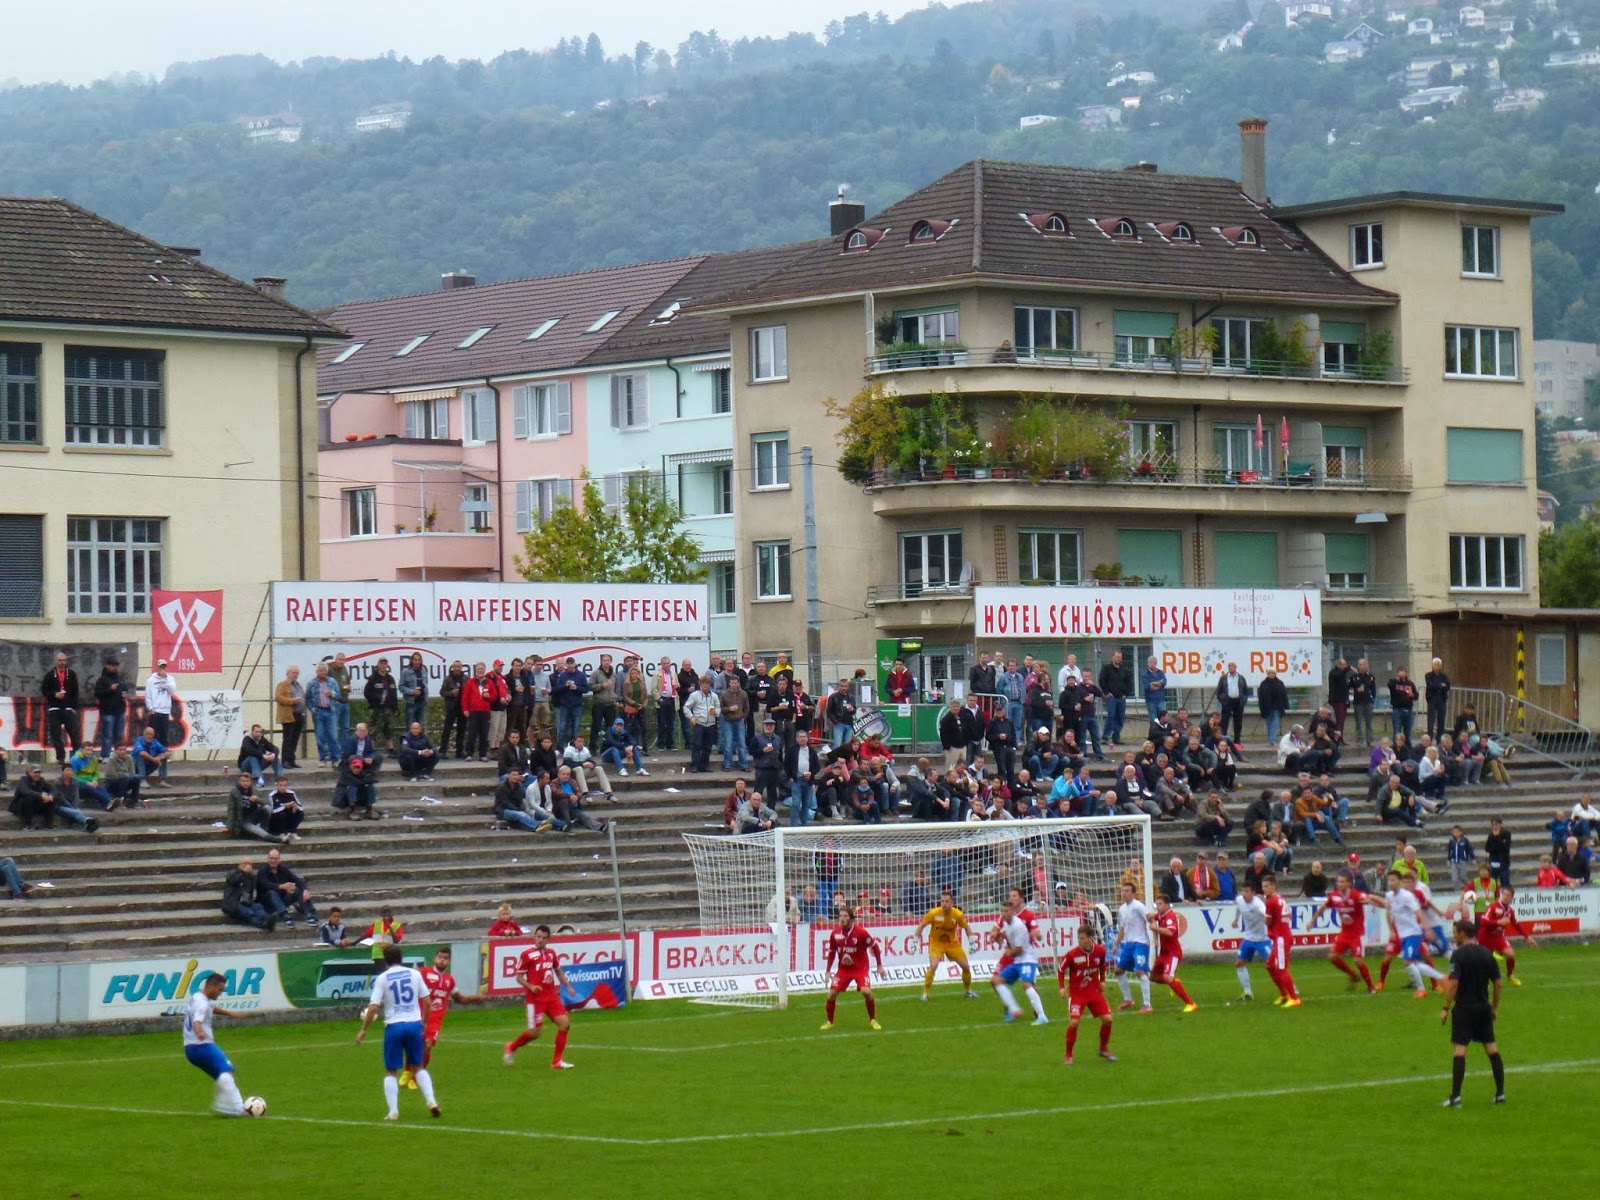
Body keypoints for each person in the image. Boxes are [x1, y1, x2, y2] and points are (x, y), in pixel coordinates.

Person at [356, 943, 442, 1119]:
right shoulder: (415, 974)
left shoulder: (383, 978)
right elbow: (427, 1002)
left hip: (394, 1027)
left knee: (391, 1071)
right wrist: (424, 1023)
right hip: (413, 1024)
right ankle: (431, 1101)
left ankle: (393, 1111)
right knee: (418, 1066)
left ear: (385, 961)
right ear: (401, 959)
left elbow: (373, 1008)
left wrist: (363, 1029)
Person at [1440, 919, 1506, 1107]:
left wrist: (1445, 1008)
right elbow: (1498, 983)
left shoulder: (1458, 956)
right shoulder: (1487, 954)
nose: (1453, 935)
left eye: (1455, 932)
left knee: (1460, 1050)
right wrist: (1495, 1007)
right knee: (1491, 1047)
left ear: (1462, 933)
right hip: (1483, 1007)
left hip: (1464, 1009)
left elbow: (1453, 983)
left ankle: (1456, 1097)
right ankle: (1500, 1093)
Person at [399, 946, 485, 1089]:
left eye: (445, 958)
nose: (442, 960)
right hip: (418, 1016)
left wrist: (477, 998)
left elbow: (459, 999)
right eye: (440, 957)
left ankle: (416, 1077)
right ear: (435, 958)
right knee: (413, 1044)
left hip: (435, 1020)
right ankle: (407, 1071)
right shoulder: (423, 973)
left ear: (449, 961)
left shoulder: (449, 980)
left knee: (427, 1045)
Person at [504, 923, 576, 1069]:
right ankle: (512, 1046)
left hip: (551, 997)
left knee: (565, 1024)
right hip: (535, 1000)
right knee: (534, 1033)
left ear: (548, 939)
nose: (540, 940)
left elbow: (558, 971)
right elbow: (519, 977)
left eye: (543, 938)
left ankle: (556, 1061)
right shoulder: (527, 955)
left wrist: (568, 986)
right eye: (538, 937)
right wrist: (531, 986)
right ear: (534, 937)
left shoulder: (551, 954)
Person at [181, 971, 248, 1116]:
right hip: (201, 1046)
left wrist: (230, 1014)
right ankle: (236, 1108)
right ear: (211, 986)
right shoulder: (201, 1003)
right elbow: (197, 1021)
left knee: (222, 1075)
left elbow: (210, 1008)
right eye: (219, 989)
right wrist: (199, 1032)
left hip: (191, 1049)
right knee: (227, 1070)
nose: (220, 993)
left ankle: (228, 1107)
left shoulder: (197, 997)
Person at [1382, 870, 1447, 998]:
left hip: (1413, 933)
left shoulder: (1407, 896)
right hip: (1402, 935)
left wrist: (1427, 929)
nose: (1391, 883)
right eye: (1389, 880)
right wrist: (1391, 930)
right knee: (1415, 963)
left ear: (1399, 882)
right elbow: (1388, 911)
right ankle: (1443, 977)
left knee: (1408, 961)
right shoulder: (1389, 896)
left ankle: (1422, 989)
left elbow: (1419, 912)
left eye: (1394, 880)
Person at [820, 905, 886, 1031]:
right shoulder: (835, 934)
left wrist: (879, 966)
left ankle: (873, 1019)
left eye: (845, 916)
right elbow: (832, 952)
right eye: (840, 916)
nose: (842, 919)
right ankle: (830, 1022)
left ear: (851, 919)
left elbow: (875, 947)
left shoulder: (861, 933)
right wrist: (828, 971)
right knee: (832, 994)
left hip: (860, 968)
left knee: (866, 992)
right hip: (844, 969)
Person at [1057, 924, 1116, 1064]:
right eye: (1078, 938)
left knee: (1108, 1019)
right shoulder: (1072, 954)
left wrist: (1103, 980)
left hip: (1094, 991)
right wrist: (1061, 987)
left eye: (1082, 938)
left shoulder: (1101, 951)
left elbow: (1102, 966)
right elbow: (1060, 969)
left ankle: (1103, 1048)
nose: (1080, 940)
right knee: (1074, 1022)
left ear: (1090, 938)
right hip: (1077, 994)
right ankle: (1068, 1054)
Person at [1318, 870, 1377, 992]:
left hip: (1357, 933)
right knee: (1332, 957)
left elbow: (1370, 899)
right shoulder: (1334, 896)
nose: (1339, 884)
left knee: (1357, 960)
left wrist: (1381, 904)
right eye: (1338, 881)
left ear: (1349, 883)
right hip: (1345, 933)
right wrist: (1312, 921)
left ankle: (1371, 987)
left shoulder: (1356, 895)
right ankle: (1353, 976)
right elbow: (1324, 906)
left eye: (1343, 882)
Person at [916, 890, 977, 1000]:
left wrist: (972, 942)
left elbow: (967, 927)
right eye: (942, 901)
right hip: (936, 943)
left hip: (952, 944)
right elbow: (921, 926)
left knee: (966, 967)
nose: (944, 904)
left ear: (952, 902)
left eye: (947, 901)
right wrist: (915, 941)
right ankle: (925, 993)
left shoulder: (957, 914)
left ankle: (967, 991)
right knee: (933, 966)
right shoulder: (934, 913)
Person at [1477, 884, 1536, 984]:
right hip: (1485, 937)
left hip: (1498, 938)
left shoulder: (1510, 911)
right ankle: (1482, 981)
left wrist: (1527, 937)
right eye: (1503, 894)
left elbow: (1516, 924)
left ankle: (1509, 975)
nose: (1505, 897)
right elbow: (1483, 921)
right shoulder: (1493, 906)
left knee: (1511, 955)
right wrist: (1498, 922)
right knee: (1485, 962)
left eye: (1508, 895)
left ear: (1511, 898)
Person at [1109, 881, 1153, 1014]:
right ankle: (1128, 999)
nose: (1124, 893)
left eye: (1127, 891)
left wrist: (1155, 938)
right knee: (1118, 970)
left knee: (1140, 971)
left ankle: (1147, 1004)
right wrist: (1116, 944)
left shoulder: (1139, 906)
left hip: (1140, 943)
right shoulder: (1122, 909)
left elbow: (1150, 919)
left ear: (1133, 893)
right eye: (1123, 891)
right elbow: (1123, 928)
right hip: (1128, 944)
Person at [1150, 895, 1197, 1012]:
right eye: (1157, 904)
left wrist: (1155, 929)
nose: (1158, 907)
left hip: (1172, 953)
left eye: (1160, 904)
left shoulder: (1170, 916)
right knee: (1153, 977)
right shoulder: (1161, 915)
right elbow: (1152, 917)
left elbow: (1170, 932)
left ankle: (1191, 1003)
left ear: (1166, 905)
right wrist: (1149, 917)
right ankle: (1175, 984)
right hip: (1164, 953)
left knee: (1166, 977)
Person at [1260, 874, 1301, 1006]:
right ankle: (1284, 994)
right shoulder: (1280, 899)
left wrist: (1266, 920)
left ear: (1273, 886)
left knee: (1281, 969)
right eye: (1263, 886)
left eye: (1266, 886)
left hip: (1281, 938)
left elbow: (1268, 921)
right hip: (1282, 936)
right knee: (1270, 966)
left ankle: (1294, 998)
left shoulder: (1271, 901)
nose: (1264, 889)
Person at [41, 650, 85, 764]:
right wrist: (54, 694)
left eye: (64, 660)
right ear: (56, 661)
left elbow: (76, 691)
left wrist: (74, 707)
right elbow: (44, 690)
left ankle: (76, 756)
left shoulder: (71, 674)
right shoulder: (50, 675)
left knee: (74, 733)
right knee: (56, 735)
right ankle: (60, 757)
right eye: (60, 660)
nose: (62, 662)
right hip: (54, 709)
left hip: (68, 708)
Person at [1231, 881, 1272, 1001]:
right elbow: (1239, 908)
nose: (1244, 894)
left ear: (1253, 893)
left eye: (1247, 891)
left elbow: (1267, 915)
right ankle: (1248, 992)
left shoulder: (1258, 904)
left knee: (1274, 965)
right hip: (1249, 938)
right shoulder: (1239, 900)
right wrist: (1236, 920)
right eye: (1243, 891)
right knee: (1239, 963)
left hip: (1263, 939)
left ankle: (1291, 988)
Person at [256, 847, 316, 927]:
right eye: (271, 858)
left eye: (275, 858)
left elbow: (297, 880)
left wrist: (305, 890)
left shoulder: (283, 869)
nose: (273, 861)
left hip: (281, 900)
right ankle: (285, 915)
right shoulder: (263, 871)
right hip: (266, 903)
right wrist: (281, 886)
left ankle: (309, 914)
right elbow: (264, 885)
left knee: (298, 890)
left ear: (279, 860)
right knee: (271, 893)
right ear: (268, 858)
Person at [227, 772, 288, 845]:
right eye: (243, 781)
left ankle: (266, 828)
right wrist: (229, 826)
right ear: (239, 781)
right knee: (257, 830)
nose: (245, 783)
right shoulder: (234, 792)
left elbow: (267, 803)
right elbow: (231, 809)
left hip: (254, 816)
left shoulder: (254, 791)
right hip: (243, 820)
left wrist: (258, 800)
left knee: (267, 808)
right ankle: (278, 839)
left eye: (247, 781)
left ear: (250, 782)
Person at [337, 724, 382, 818]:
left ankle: (370, 809)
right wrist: (361, 758)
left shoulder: (368, 740)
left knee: (370, 785)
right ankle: (352, 810)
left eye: (364, 731)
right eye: (360, 731)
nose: (362, 733)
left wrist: (370, 757)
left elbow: (372, 751)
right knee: (352, 786)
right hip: (352, 761)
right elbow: (347, 755)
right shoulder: (350, 740)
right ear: (356, 731)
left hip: (364, 763)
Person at [494, 770, 558, 834]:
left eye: (517, 775)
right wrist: (517, 810)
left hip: (516, 809)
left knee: (525, 814)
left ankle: (545, 826)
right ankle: (538, 825)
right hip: (503, 810)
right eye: (513, 775)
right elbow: (505, 803)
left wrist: (521, 808)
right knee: (521, 814)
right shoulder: (501, 787)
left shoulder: (519, 786)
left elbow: (522, 798)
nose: (515, 777)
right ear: (508, 776)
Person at [143, 658, 176, 777]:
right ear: (157, 667)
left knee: (164, 735)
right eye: (160, 666)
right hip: (155, 711)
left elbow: (172, 690)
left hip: (165, 711)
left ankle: (163, 755)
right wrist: (151, 708)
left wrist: (165, 679)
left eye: (164, 666)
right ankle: (151, 755)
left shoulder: (170, 678)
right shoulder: (151, 680)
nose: (162, 668)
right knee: (153, 735)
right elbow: (148, 695)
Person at [307, 662, 344, 765]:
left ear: (327, 671)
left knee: (333, 736)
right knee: (320, 736)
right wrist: (313, 709)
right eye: (320, 670)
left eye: (324, 670)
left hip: (330, 711)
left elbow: (339, 695)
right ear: (317, 671)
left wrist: (332, 694)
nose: (322, 672)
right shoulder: (311, 683)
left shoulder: (332, 681)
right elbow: (308, 698)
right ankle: (322, 758)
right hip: (318, 711)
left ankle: (335, 759)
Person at [220, 859, 275, 930]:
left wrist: (248, 875)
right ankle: (262, 924)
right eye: (246, 863)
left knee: (258, 906)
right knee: (248, 912)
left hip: (246, 901)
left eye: (250, 864)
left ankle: (266, 918)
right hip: (232, 903)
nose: (248, 866)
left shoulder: (251, 877)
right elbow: (233, 880)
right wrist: (243, 873)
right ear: (240, 865)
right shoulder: (233, 874)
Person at [93, 656, 129, 759]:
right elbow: (97, 693)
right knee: (107, 736)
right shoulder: (102, 680)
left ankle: (118, 755)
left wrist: (125, 695)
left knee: (119, 736)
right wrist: (110, 689)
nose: (114, 667)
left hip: (120, 711)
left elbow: (125, 689)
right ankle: (105, 755)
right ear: (107, 666)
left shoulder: (120, 679)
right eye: (112, 665)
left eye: (116, 665)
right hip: (107, 712)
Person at [363, 658, 401, 750]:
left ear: (387, 665)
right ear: (378, 665)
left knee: (389, 730)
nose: (383, 665)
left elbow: (394, 694)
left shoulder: (390, 679)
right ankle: (370, 749)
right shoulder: (373, 678)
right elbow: (367, 693)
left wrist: (396, 708)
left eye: (385, 663)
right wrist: (377, 697)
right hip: (376, 709)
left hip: (388, 709)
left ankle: (391, 749)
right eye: (381, 663)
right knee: (374, 730)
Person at [1098, 651, 1133, 747]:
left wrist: (1126, 694)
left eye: (1120, 657)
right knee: (1111, 716)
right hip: (1111, 698)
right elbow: (1101, 680)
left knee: (1120, 718)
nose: (1118, 659)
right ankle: (1105, 737)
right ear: (1112, 657)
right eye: (1117, 657)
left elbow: (1129, 683)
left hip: (1121, 698)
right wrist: (1106, 692)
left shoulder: (1124, 670)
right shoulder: (1106, 668)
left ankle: (1116, 737)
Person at [274, 665, 306, 769]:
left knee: (295, 739)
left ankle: (292, 760)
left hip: (299, 714)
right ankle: (285, 761)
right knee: (288, 739)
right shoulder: (283, 684)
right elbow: (278, 697)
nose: (295, 675)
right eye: (293, 673)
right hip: (288, 715)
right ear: (288, 673)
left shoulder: (298, 685)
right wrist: (292, 701)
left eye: (297, 673)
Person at [1214, 661, 1250, 745]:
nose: (1231, 668)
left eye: (1232, 666)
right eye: (1229, 666)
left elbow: (1245, 691)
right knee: (1224, 721)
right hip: (1227, 701)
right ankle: (1223, 739)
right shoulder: (1224, 678)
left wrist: (1244, 700)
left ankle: (1237, 740)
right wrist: (1222, 699)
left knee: (1238, 722)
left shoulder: (1241, 678)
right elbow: (1218, 691)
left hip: (1238, 701)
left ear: (1236, 667)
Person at [1257, 668, 1289, 747]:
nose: (1271, 675)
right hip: (1266, 707)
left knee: (1275, 723)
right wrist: (1261, 707)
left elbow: (1284, 695)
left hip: (1277, 707)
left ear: (1275, 674)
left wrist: (1285, 705)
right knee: (1269, 724)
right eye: (1270, 673)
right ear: (1267, 674)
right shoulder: (1263, 684)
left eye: (1273, 673)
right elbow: (1260, 697)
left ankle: (1273, 740)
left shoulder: (1280, 683)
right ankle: (1271, 740)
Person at [1423, 658, 1451, 743]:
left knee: (1441, 721)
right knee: (1431, 720)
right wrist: (1440, 685)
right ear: (1432, 666)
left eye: (1438, 665)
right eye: (1435, 665)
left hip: (1442, 700)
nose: (1437, 666)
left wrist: (1440, 686)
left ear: (1441, 666)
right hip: (1432, 700)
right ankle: (1429, 739)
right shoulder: (1428, 675)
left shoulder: (1444, 676)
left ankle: (1439, 740)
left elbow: (1447, 687)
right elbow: (1430, 685)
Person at [328, 653, 353, 745]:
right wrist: (333, 698)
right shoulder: (330, 670)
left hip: (345, 701)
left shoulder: (345, 669)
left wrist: (348, 688)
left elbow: (347, 682)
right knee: (333, 727)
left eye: (343, 660)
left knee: (346, 728)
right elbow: (326, 685)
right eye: (340, 659)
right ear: (335, 660)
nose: (341, 662)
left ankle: (345, 749)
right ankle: (333, 750)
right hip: (335, 702)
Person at [400, 652, 429, 732]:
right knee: (411, 727)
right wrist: (412, 692)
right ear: (412, 661)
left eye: (419, 660)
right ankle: (409, 744)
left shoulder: (423, 671)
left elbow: (425, 684)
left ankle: (421, 744)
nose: (417, 662)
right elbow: (401, 687)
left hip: (422, 702)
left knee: (421, 727)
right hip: (411, 703)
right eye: (415, 659)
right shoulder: (406, 672)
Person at [1388, 669, 1418, 741]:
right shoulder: (1394, 683)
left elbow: (1416, 696)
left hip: (1408, 710)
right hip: (1397, 710)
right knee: (1397, 730)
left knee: (1408, 732)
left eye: (1403, 673)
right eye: (1400, 673)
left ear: (1406, 674)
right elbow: (1390, 685)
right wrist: (1397, 680)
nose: (1401, 675)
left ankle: (1407, 747)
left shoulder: (1410, 684)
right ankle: (1396, 746)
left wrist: (1412, 695)